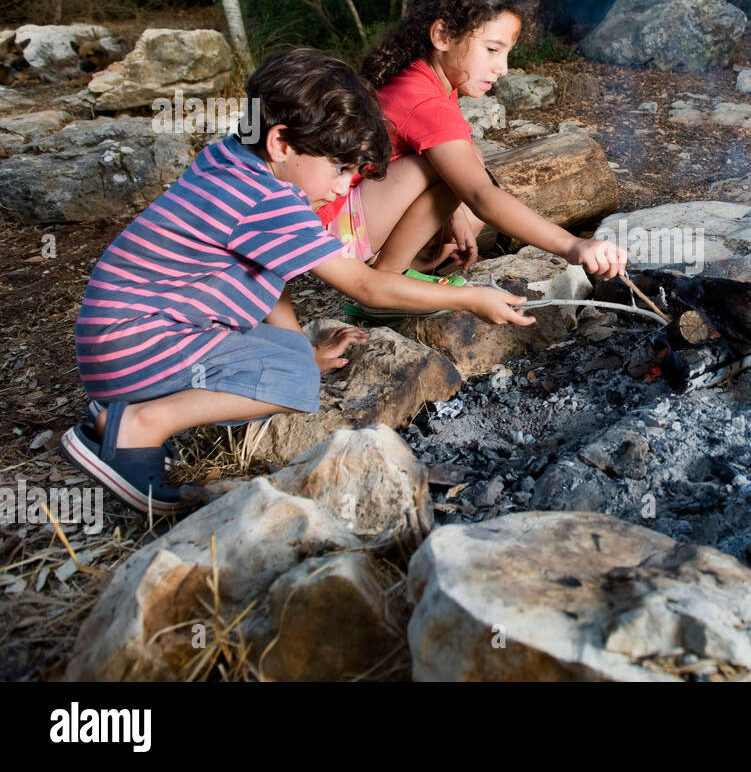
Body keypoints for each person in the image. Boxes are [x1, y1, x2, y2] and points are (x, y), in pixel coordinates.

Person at [63, 48, 534, 515]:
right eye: (340, 168)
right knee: (295, 380)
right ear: (282, 143)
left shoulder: (231, 161)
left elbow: (269, 272)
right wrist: (471, 298)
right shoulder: (269, 201)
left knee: (294, 356)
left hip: (122, 338)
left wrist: (296, 344)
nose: (344, 186)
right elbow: (366, 286)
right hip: (135, 346)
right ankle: (140, 424)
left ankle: (123, 414)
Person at [315, 0, 627, 303]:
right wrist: (571, 244)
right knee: (457, 178)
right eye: (493, 49)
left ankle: (392, 269)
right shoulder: (425, 101)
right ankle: (385, 282)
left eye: (506, 52)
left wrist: (457, 214)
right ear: (442, 35)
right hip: (333, 231)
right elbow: (481, 196)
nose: (503, 67)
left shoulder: (428, 73)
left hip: (357, 220)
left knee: (468, 163)